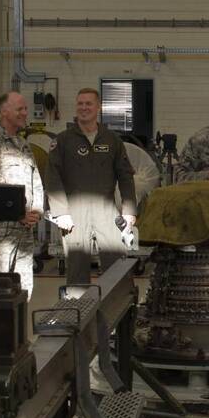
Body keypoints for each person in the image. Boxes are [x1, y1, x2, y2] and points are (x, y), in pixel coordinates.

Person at [45, 88, 137, 285]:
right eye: (80, 104)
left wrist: (129, 211)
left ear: (98, 108)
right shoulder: (62, 141)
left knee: (117, 266)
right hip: (74, 214)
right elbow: (53, 178)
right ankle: (77, 311)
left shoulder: (112, 140)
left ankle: (117, 313)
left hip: (107, 211)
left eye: (88, 104)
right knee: (77, 269)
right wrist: (60, 213)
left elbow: (126, 176)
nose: (84, 108)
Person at [0, 91, 44, 299]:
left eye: (26, 109)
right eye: (20, 109)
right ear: (4, 112)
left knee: (22, 294)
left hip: (23, 235)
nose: (25, 113)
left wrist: (36, 211)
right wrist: (17, 213)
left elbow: (36, 181)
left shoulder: (23, 145)